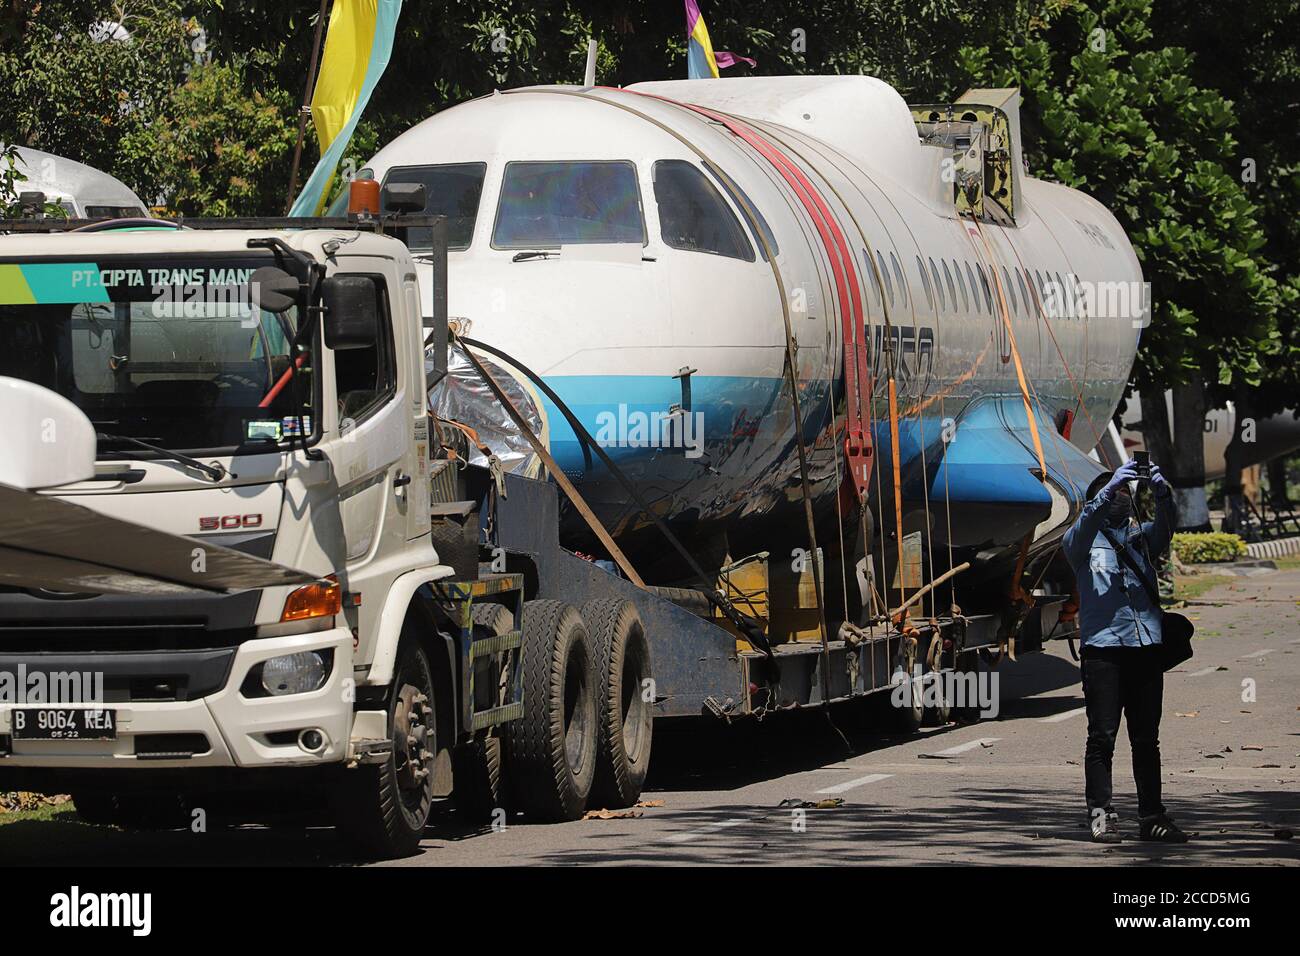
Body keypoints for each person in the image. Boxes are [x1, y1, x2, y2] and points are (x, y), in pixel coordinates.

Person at [1062, 458, 1187, 844]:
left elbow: (1167, 525)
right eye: (1115, 494)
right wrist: (1106, 489)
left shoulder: (1140, 538)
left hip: (1146, 647)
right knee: (1102, 737)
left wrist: (1164, 494)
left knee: (1146, 739)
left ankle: (1152, 816)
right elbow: (1085, 523)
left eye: (1125, 494)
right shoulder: (1080, 542)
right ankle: (1101, 814)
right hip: (1104, 652)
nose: (1121, 500)